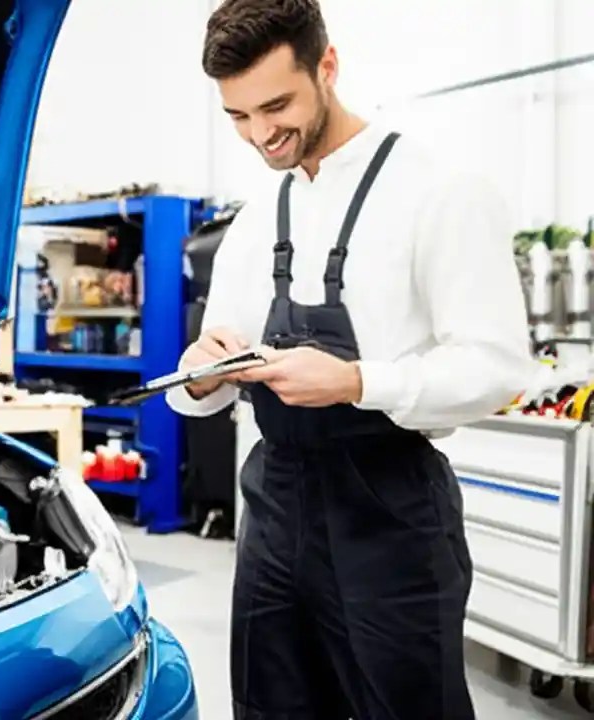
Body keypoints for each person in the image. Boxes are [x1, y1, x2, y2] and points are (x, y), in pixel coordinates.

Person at [166, 1, 534, 718]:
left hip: (389, 509)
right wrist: (202, 373)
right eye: (238, 116)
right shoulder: (255, 219)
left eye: (276, 106)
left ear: (327, 66)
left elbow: (497, 367)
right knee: (270, 705)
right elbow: (209, 367)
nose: (260, 135)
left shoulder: (440, 191)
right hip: (273, 502)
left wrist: (359, 381)